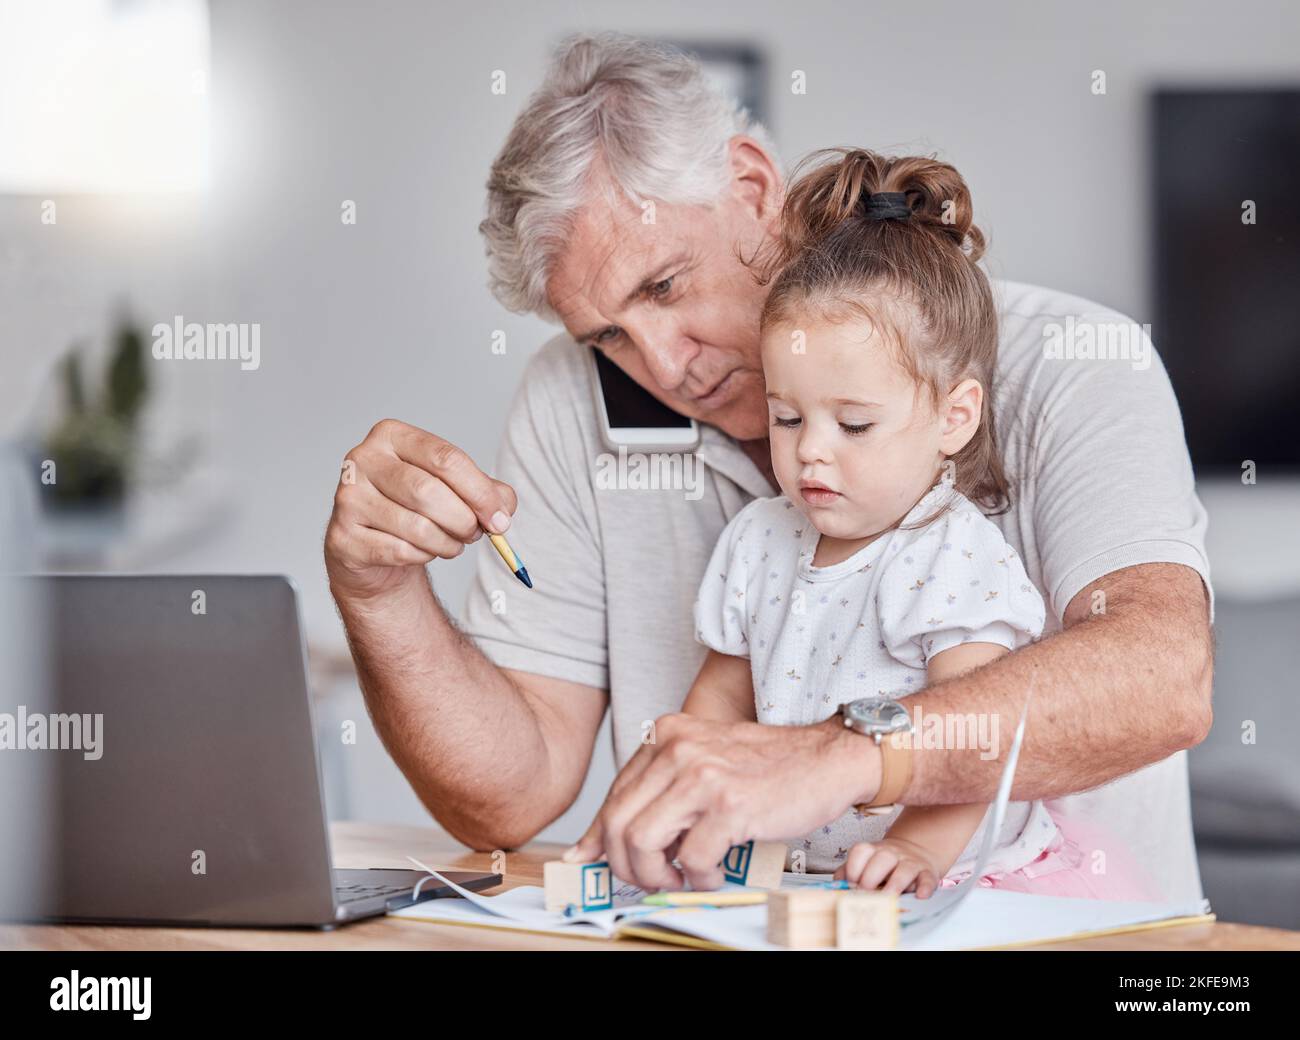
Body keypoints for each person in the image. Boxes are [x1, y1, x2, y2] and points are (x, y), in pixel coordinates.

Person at [324, 33, 1212, 898]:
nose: (666, 367)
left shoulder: (1075, 361)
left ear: (751, 185)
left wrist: (838, 756)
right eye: (608, 337)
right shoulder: (568, 398)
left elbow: (1165, 678)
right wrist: (379, 593)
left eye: (665, 286)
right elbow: (509, 797)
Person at [683, 145, 1159, 902]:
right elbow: (717, 705)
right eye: (787, 416)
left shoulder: (952, 559)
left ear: (953, 416)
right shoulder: (758, 540)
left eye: (856, 425)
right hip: (824, 884)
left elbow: (977, 741)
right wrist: (687, 797)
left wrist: (913, 848)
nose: (811, 450)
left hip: (963, 876)